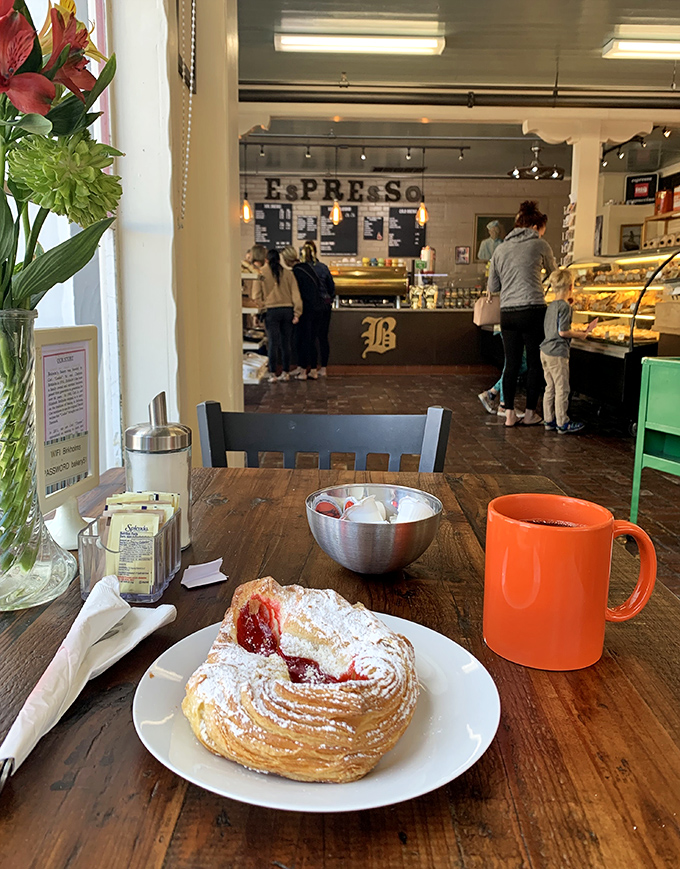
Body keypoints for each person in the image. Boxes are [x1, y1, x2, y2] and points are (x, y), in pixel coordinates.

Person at [488, 200, 557, 427]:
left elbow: (494, 286)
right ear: (536, 227)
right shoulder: (540, 244)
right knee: (535, 363)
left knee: (512, 363)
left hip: (507, 312)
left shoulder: (500, 249)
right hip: (533, 309)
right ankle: (529, 413)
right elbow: (555, 276)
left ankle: (508, 414)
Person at [541, 269, 598, 434]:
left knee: (549, 387)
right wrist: (582, 334)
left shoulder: (551, 305)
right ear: (571, 286)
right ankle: (562, 423)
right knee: (562, 389)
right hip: (557, 352)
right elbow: (563, 332)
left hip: (544, 351)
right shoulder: (565, 307)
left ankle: (549, 420)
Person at [252, 249, 302, 383]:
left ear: (266, 259)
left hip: (271, 311)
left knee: (273, 343)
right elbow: (296, 295)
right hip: (287, 310)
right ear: (280, 259)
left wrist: (255, 314)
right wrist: (297, 312)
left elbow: (256, 296)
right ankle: (286, 372)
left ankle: (273, 373)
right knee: (286, 343)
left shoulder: (261, 273)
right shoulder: (288, 273)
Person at [282, 245, 325, 380]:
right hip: (318, 308)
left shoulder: (296, 272)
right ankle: (310, 369)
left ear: (287, 259)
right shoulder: (307, 267)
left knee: (303, 340)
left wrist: (296, 311)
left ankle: (305, 372)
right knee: (312, 339)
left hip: (307, 310)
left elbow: (297, 294)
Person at [301, 241, 335, 377]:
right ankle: (324, 368)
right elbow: (332, 288)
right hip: (325, 306)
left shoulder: (303, 268)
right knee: (323, 337)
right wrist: (329, 299)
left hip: (309, 306)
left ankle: (308, 368)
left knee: (309, 337)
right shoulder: (323, 267)